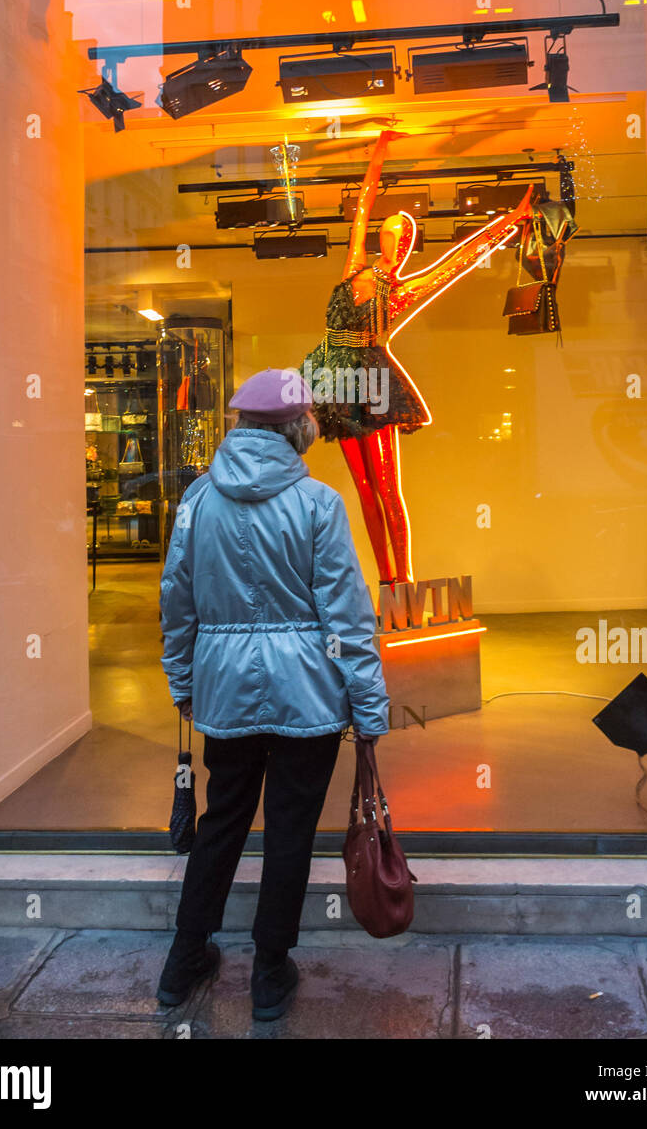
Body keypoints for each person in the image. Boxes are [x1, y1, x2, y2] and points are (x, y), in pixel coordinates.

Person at [157, 367, 390, 1021]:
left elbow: (176, 604)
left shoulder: (199, 500)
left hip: (225, 694)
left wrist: (183, 681)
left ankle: (182, 961)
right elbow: (347, 620)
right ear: (299, 428)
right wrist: (369, 708)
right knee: (290, 831)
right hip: (307, 700)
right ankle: (268, 972)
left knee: (221, 823)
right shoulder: (318, 503)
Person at [302, 127, 541, 585]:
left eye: (405, 237)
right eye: (392, 232)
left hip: (371, 381)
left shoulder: (403, 290)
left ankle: (404, 580)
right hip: (334, 376)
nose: (397, 240)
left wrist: (511, 221)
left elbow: (462, 258)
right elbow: (363, 207)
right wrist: (379, 152)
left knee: (389, 489)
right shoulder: (354, 266)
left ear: (409, 249)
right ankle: (387, 581)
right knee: (365, 491)